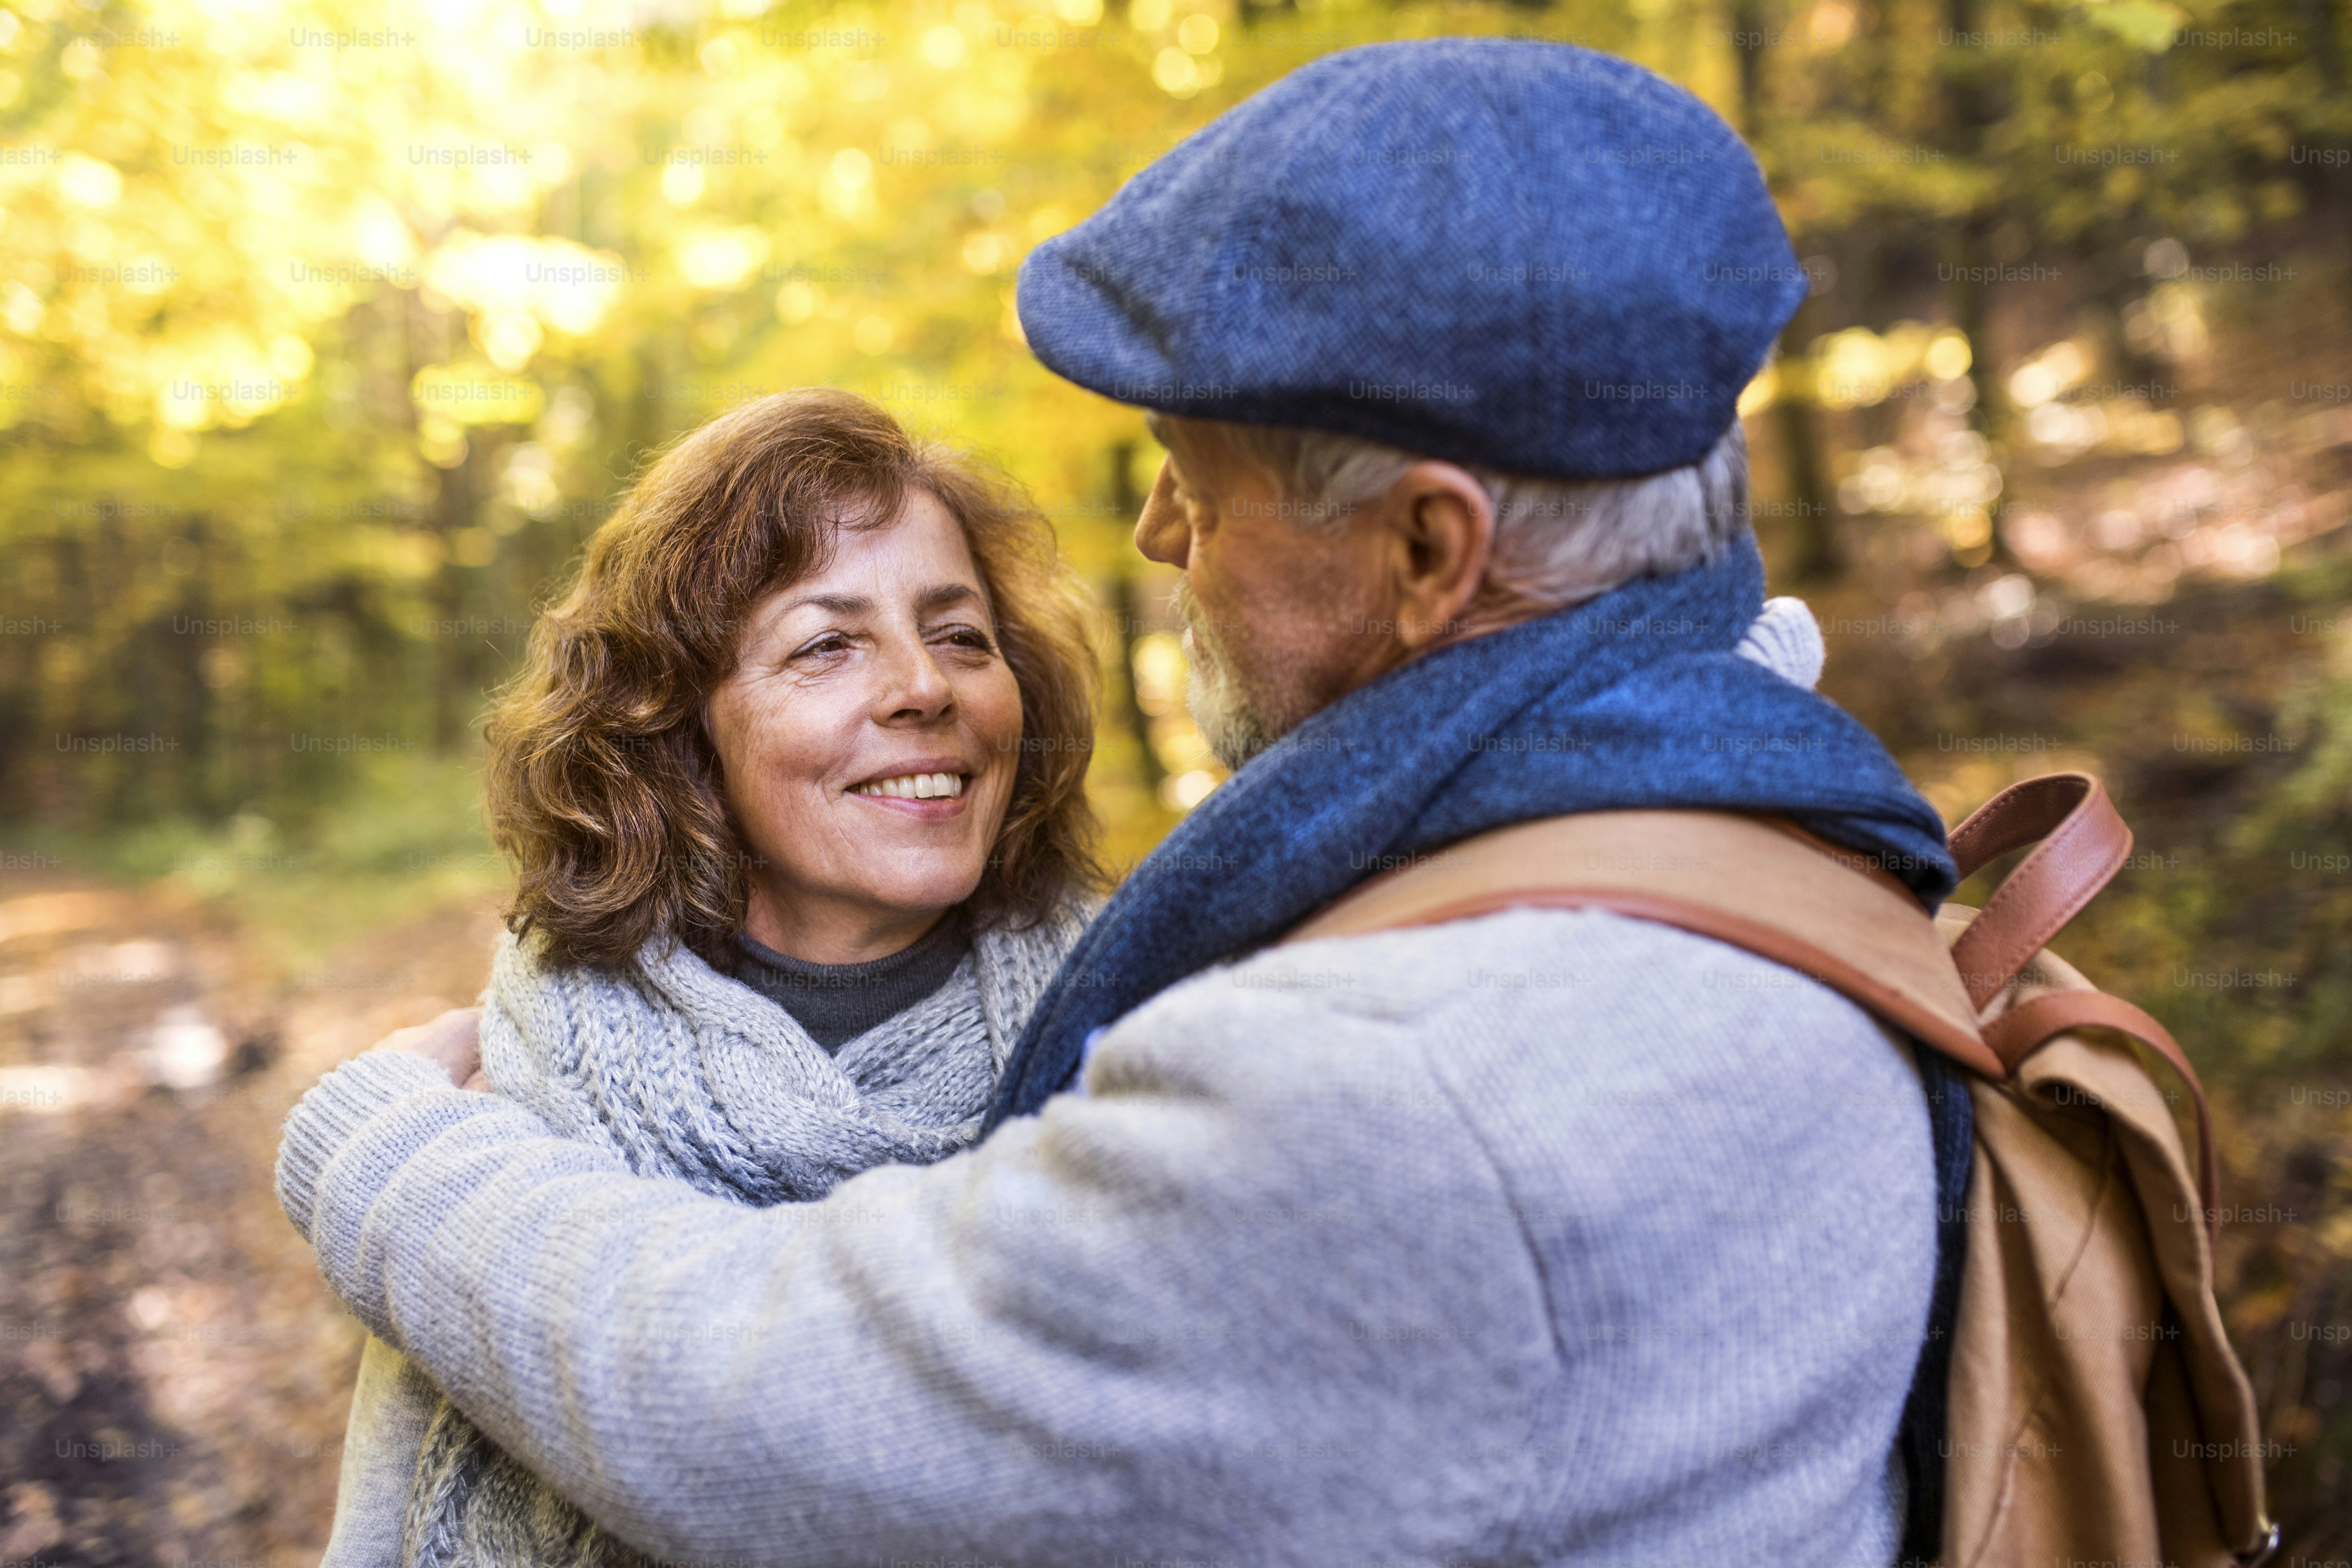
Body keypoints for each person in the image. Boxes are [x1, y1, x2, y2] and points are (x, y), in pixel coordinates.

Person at [280, 40, 1966, 1565]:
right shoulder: (1756, 825)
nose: (1160, 536)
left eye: (1200, 485)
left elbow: (807, 1425)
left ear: (1429, 553)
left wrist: (391, 1160)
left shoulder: (1409, 1069)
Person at [312, 388, 1102, 1568]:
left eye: (960, 635)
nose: (923, 686)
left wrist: (368, 1155)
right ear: (683, 732)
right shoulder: (526, 1072)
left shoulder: (1134, 1033)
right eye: (828, 645)